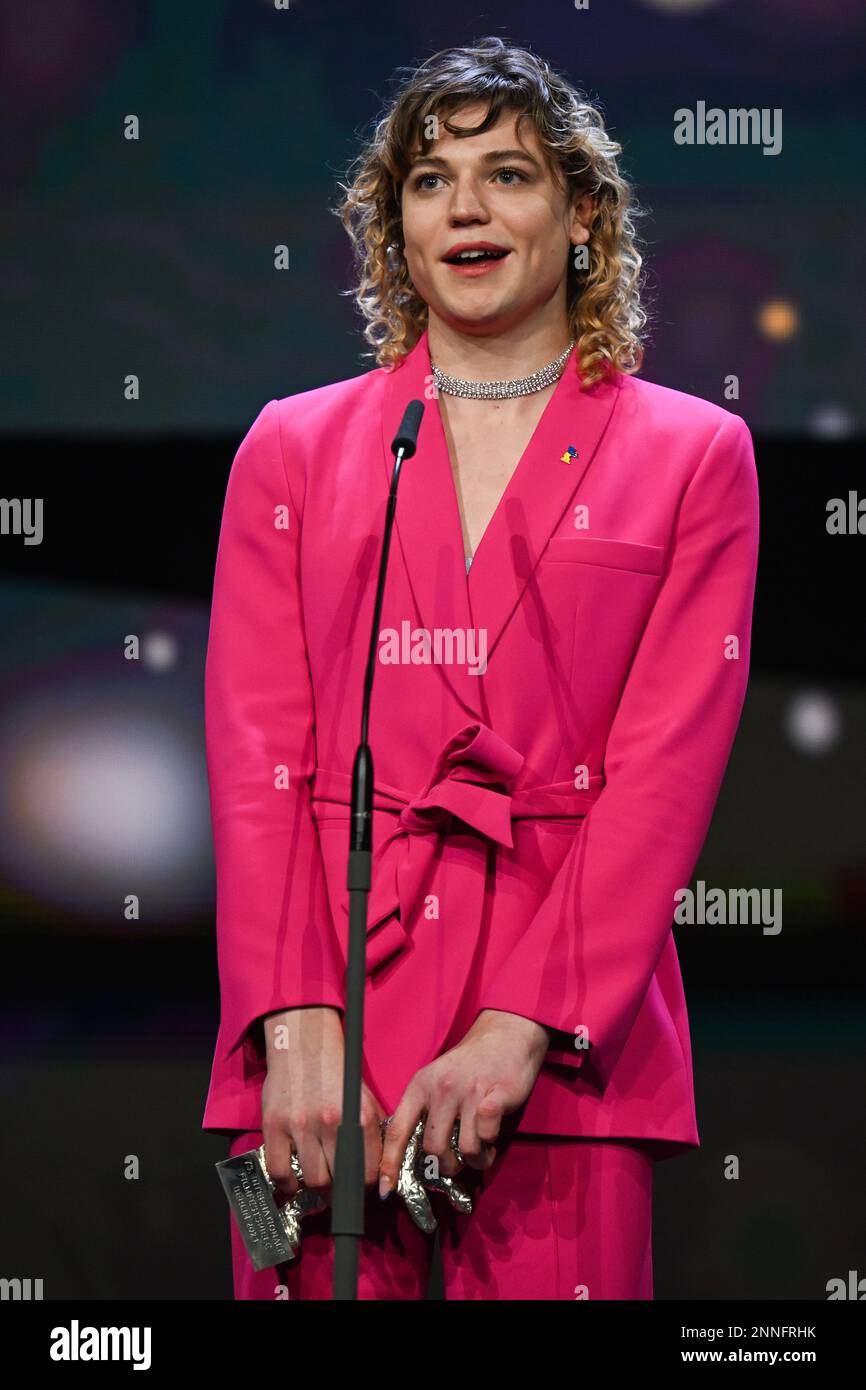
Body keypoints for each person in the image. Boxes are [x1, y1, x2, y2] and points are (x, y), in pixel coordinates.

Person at [202, 36, 759, 1300]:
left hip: (560, 1055)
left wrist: (516, 1033)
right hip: (321, 1056)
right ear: (392, 228)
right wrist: (296, 1025)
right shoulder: (292, 449)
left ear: (579, 217)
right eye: (428, 178)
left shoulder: (691, 453)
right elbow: (254, 767)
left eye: (506, 173)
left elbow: (660, 778)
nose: (463, 205)